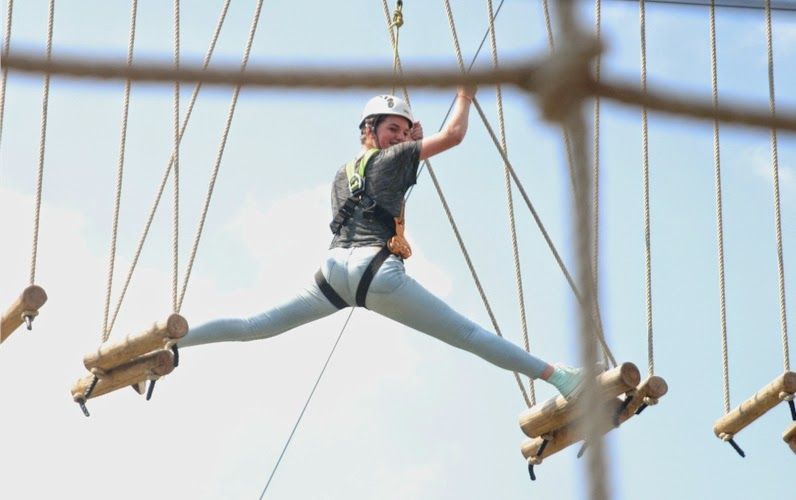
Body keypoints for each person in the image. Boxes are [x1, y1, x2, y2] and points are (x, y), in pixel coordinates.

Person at [179, 88, 583, 400]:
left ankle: (175, 342)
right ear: (368, 129)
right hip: (377, 271)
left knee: (256, 326)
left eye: (404, 133)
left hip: (333, 271)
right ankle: (563, 380)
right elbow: (455, 135)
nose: (399, 138)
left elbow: (383, 189)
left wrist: (409, 149)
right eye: (392, 129)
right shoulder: (395, 159)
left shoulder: (342, 173)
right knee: (468, 335)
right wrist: (464, 97)